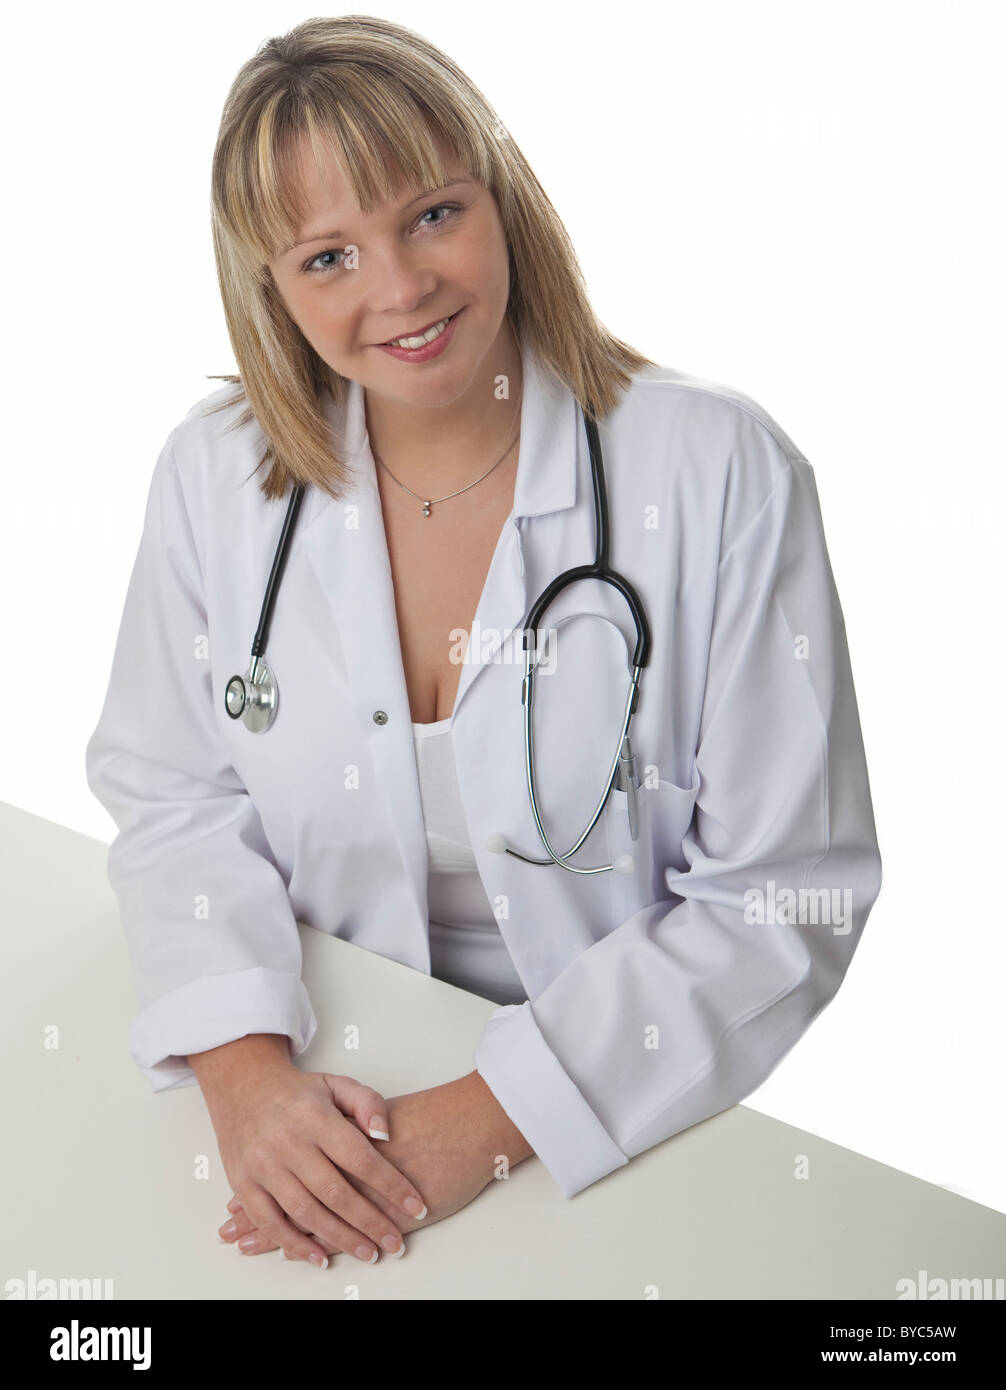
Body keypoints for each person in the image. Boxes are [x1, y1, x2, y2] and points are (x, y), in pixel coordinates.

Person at [85, 14, 883, 1271]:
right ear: (271, 289)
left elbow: (785, 893)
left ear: (504, 200)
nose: (399, 291)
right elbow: (175, 797)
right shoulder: (213, 477)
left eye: (433, 216)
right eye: (329, 255)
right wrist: (245, 1079)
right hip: (324, 1073)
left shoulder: (721, 469)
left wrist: (481, 1123)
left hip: (624, 1104)